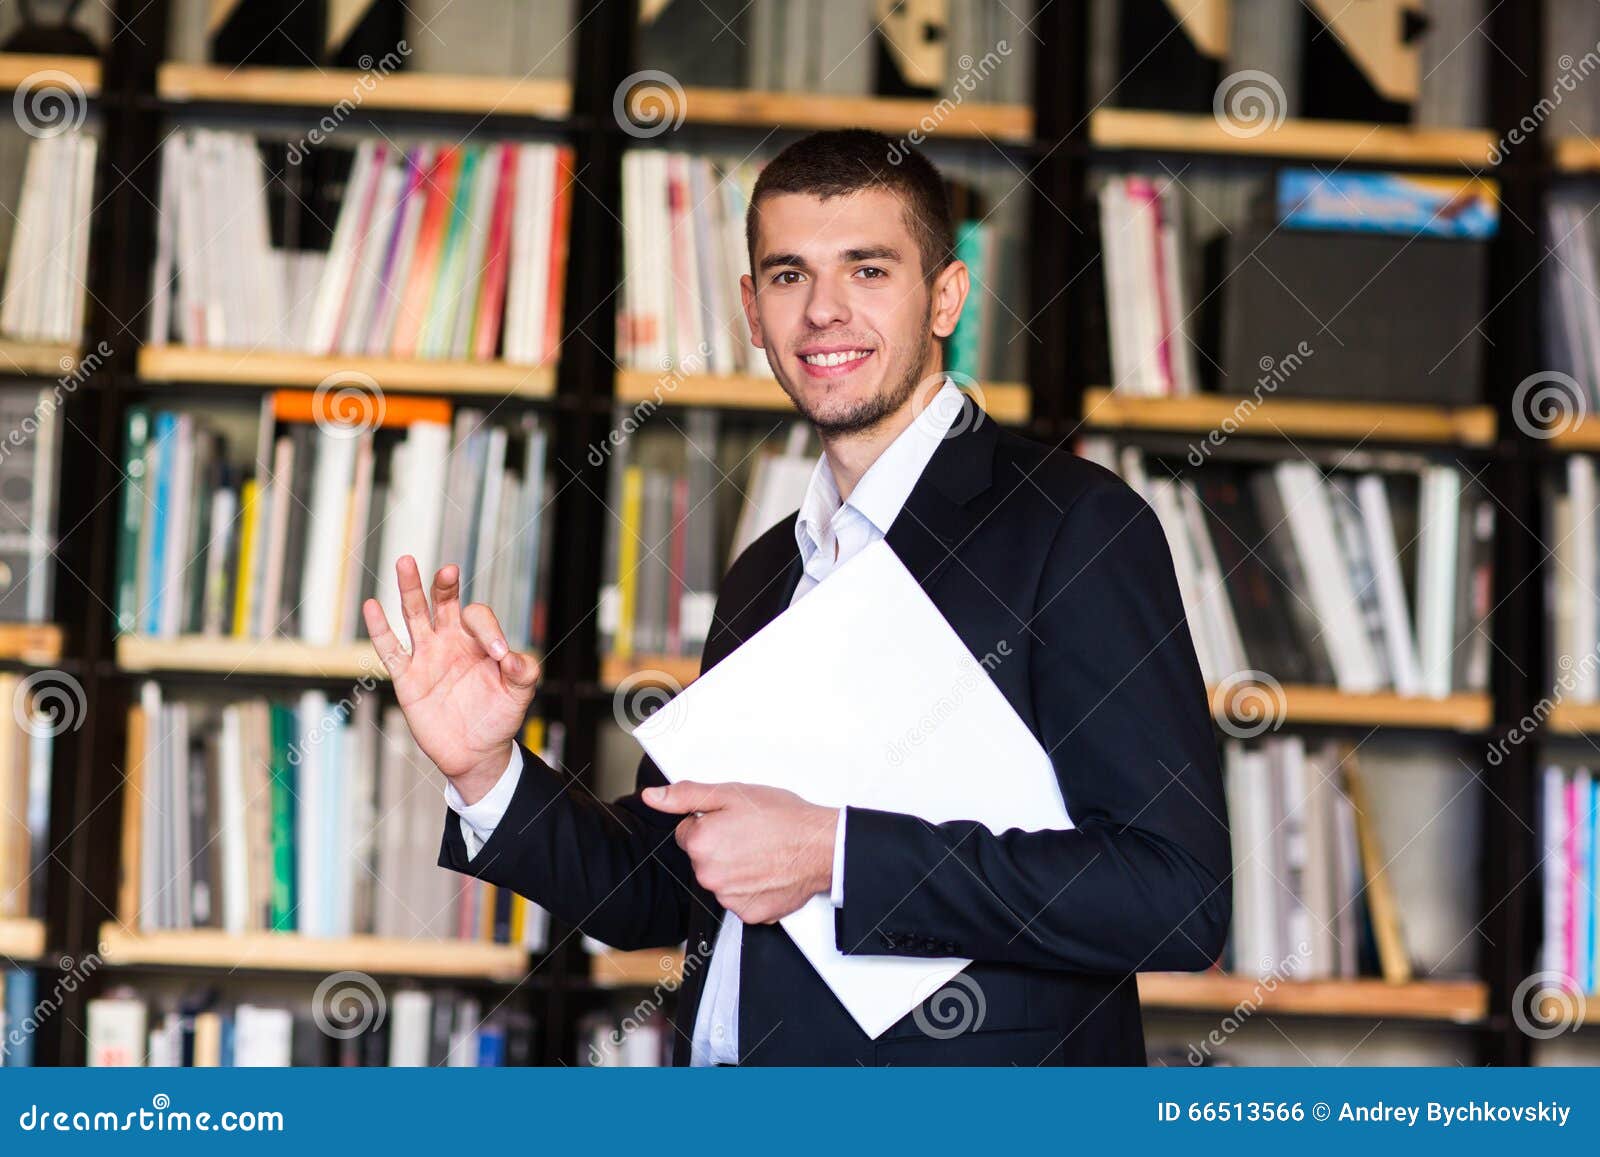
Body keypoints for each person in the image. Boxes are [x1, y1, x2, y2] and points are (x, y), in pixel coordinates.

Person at [363, 129, 1231, 1067]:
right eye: (788, 276)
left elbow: (1175, 896)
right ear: (750, 306)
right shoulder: (766, 568)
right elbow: (675, 884)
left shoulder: (1074, 527)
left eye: (867, 270)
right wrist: (488, 769)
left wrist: (836, 855)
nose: (824, 311)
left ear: (945, 297)